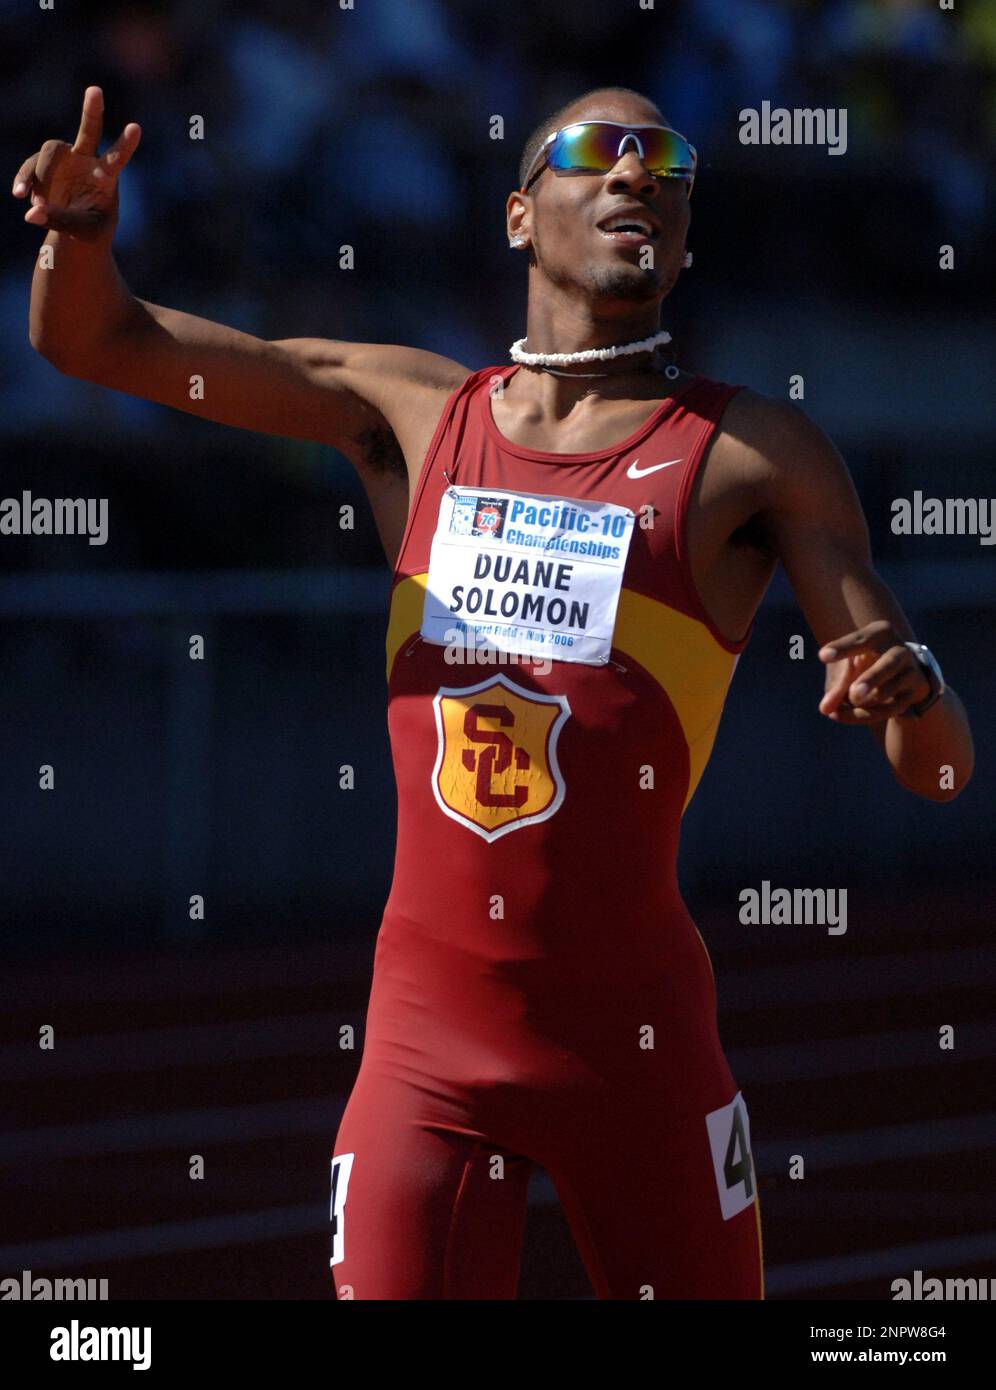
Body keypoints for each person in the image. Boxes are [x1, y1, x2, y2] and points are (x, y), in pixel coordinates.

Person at [14, 84, 973, 1301]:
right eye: (600, 153)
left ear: (684, 236)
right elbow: (97, 344)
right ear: (520, 216)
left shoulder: (753, 459)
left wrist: (911, 681)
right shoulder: (409, 415)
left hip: (638, 1055)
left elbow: (938, 770)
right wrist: (82, 238)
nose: (639, 176)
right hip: (423, 1052)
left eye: (669, 166)